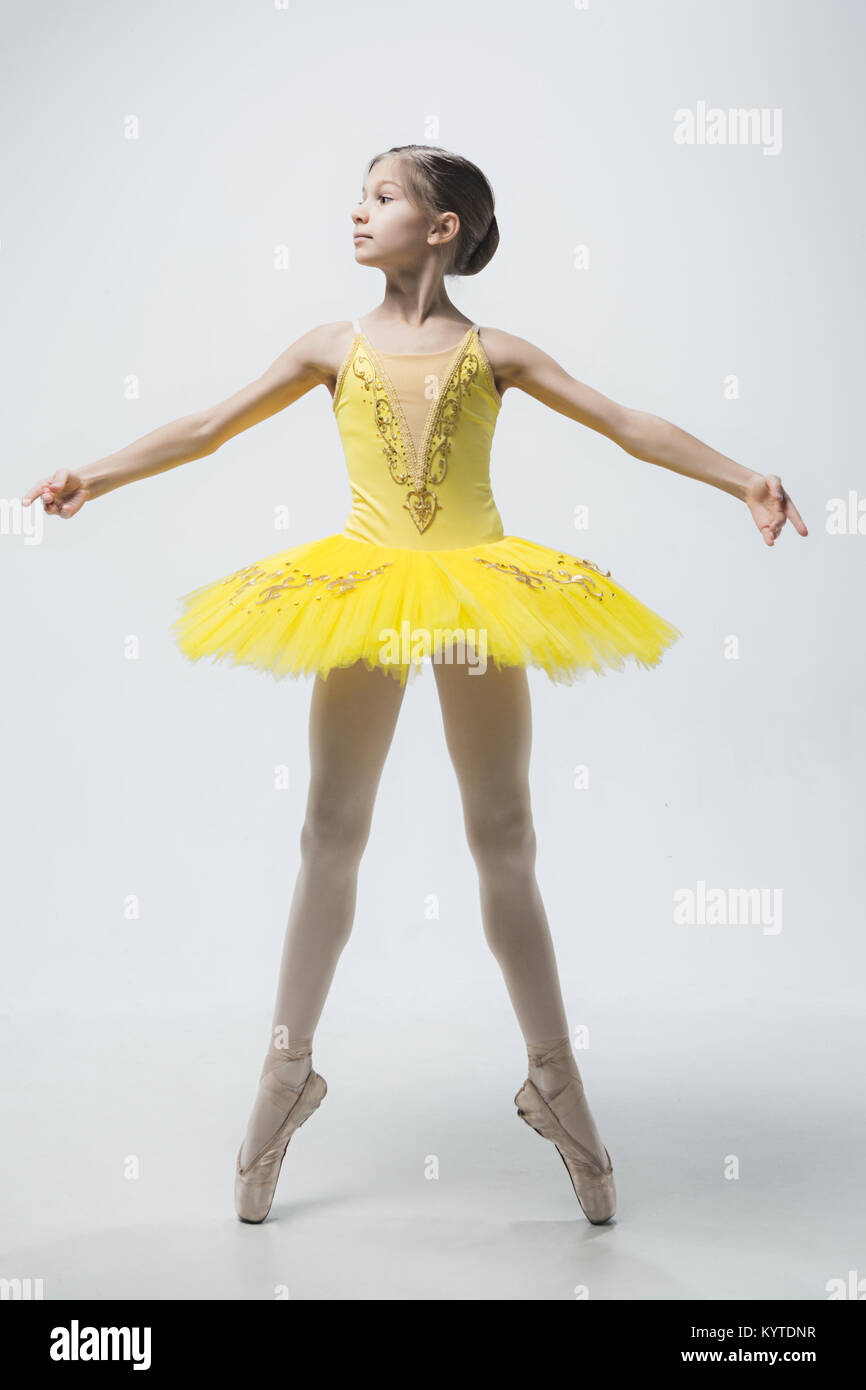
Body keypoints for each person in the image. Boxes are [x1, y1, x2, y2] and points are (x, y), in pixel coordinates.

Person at [22, 143, 807, 1227]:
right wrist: (92, 475)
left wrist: (742, 478)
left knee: (505, 835)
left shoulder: (498, 352)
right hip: (359, 591)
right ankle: (284, 1075)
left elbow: (627, 424)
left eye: (381, 197)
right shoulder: (325, 347)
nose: (357, 211)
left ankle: (555, 1080)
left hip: (481, 595)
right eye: (360, 195)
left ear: (440, 229)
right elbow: (206, 427)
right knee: (329, 831)